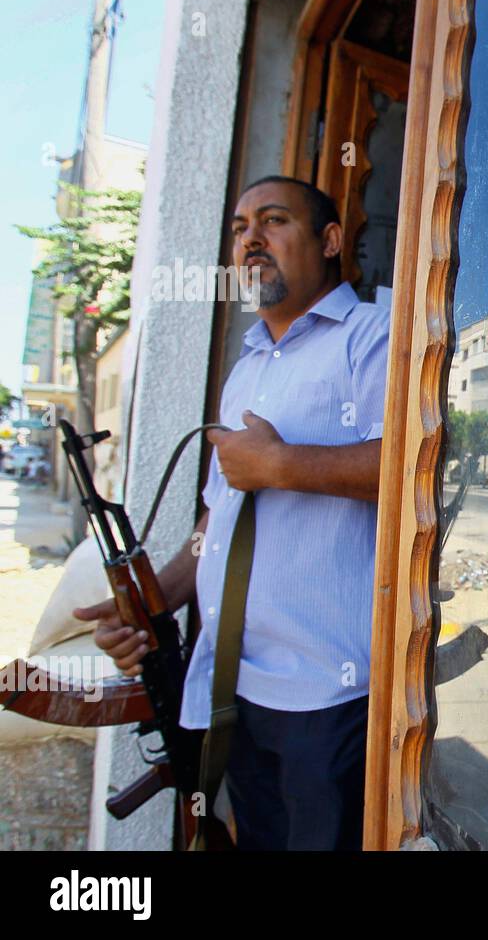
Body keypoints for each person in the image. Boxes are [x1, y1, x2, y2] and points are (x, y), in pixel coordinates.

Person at [75, 176, 390, 849]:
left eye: (274, 221)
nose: (251, 238)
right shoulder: (247, 366)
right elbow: (218, 518)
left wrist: (281, 464)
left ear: (330, 241)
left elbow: (414, 467)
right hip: (235, 687)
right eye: (241, 228)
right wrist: (151, 599)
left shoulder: (372, 335)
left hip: (331, 697)